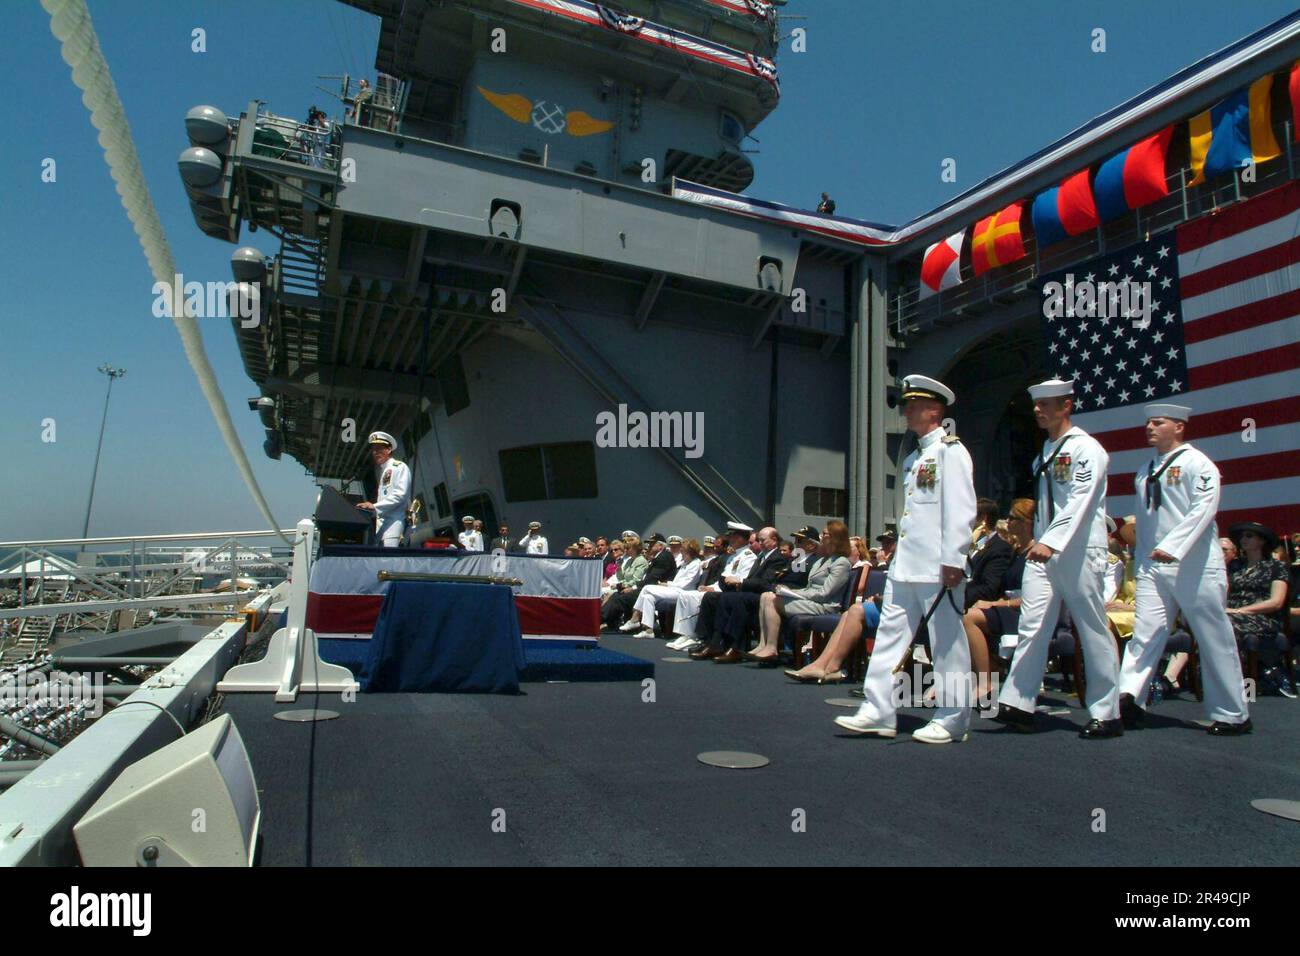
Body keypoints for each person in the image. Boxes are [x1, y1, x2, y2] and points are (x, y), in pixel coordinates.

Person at [834, 374, 976, 744]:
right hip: (907, 566)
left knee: (947, 642)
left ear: (935, 409)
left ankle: (953, 717)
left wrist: (954, 560)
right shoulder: (915, 457)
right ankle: (878, 709)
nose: (907, 410)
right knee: (889, 637)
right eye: (907, 404)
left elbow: (961, 511)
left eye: (915, 404)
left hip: (938, 567)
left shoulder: (951, 451)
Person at [993, 378, 1122, 739]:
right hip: (1045, 551)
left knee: (1090, 627)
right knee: (1032, 623)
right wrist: (1041, 539)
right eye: (1036, 405)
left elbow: (1080, 499)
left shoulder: (1087, 449)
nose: (1038, 410)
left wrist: (1050, 540)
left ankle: (1107, 712)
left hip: (1079, 551)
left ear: (1066, 406)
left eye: (1046, 404)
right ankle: (1018, 702)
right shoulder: (1044, 454)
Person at [1115, 405, 1251, 731]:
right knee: (1145, 633)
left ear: (1178, 427)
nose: (1150, 427)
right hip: (1152, 566)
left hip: (1195, 565)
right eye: (1148, 422)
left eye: (1158, 422)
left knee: (1212, 635)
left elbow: (1204, 508)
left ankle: (1233, 713)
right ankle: (1129, 697)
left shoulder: (1198, 463)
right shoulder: (1145, 469)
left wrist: (1173, 546)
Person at [962, 500, 1034, 703]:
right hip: (1009, 607)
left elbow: (1033, 597)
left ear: (1027, 522)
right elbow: (1005, 589)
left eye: (1013, 518)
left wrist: (994, 604)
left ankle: (985, 683)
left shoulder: (1035, 553)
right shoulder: (1018, 552)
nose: (1008, 522)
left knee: (969, 619)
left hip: (1025, 611)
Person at [752, 522, 853, 662]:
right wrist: (789, 591)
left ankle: (771, 647)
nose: (820, 537)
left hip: (825, 606)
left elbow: (825, 593)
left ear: (834, 538)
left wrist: (796, 594)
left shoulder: (841, 563)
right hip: (811, 600)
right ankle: (763, 644)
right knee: (765, 596)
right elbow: (809, 587)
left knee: (771, 599)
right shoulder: (821, 561)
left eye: (824, 534)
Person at [1225, 521, 1293, 698]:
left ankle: (1245, 687)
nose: (1243, 539)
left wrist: (1241, 611)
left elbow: (1276, 602)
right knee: (1212, 623)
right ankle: (1222, 683)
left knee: (1228, 625)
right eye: (1242, 536)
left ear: (1261, 541)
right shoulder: (1234, 567)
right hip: (1231, 614)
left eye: (1249, 535)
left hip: (1263, 618)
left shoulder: (1276, 567)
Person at [624, 539, 704, 637]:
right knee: (648, 597)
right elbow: (677, 581)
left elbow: (685, 584)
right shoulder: (685, 563)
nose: (681, 553)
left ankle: (635, 617)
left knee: (647, 588)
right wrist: (667, 584)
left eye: (683, 551)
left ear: (689, 552)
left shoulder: (695, 564)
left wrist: (668, 584)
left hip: (683, 593)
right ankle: (648, 630)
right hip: (674, 589)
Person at [356, 431, 411, 547]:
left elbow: (401, 495)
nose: (375, 453)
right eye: (373, 450)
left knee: (390, 563)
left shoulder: (399, 467)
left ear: (389, 450)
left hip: (393, 527)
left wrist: (374, 506)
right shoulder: (383, 471)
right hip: (381, 528)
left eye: (379, 449)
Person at [966, 499, 1014, 609]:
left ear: (983, 518)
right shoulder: (972, 544)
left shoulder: (999, 549)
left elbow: (989, 588)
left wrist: (958, 594)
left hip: (975, 606)